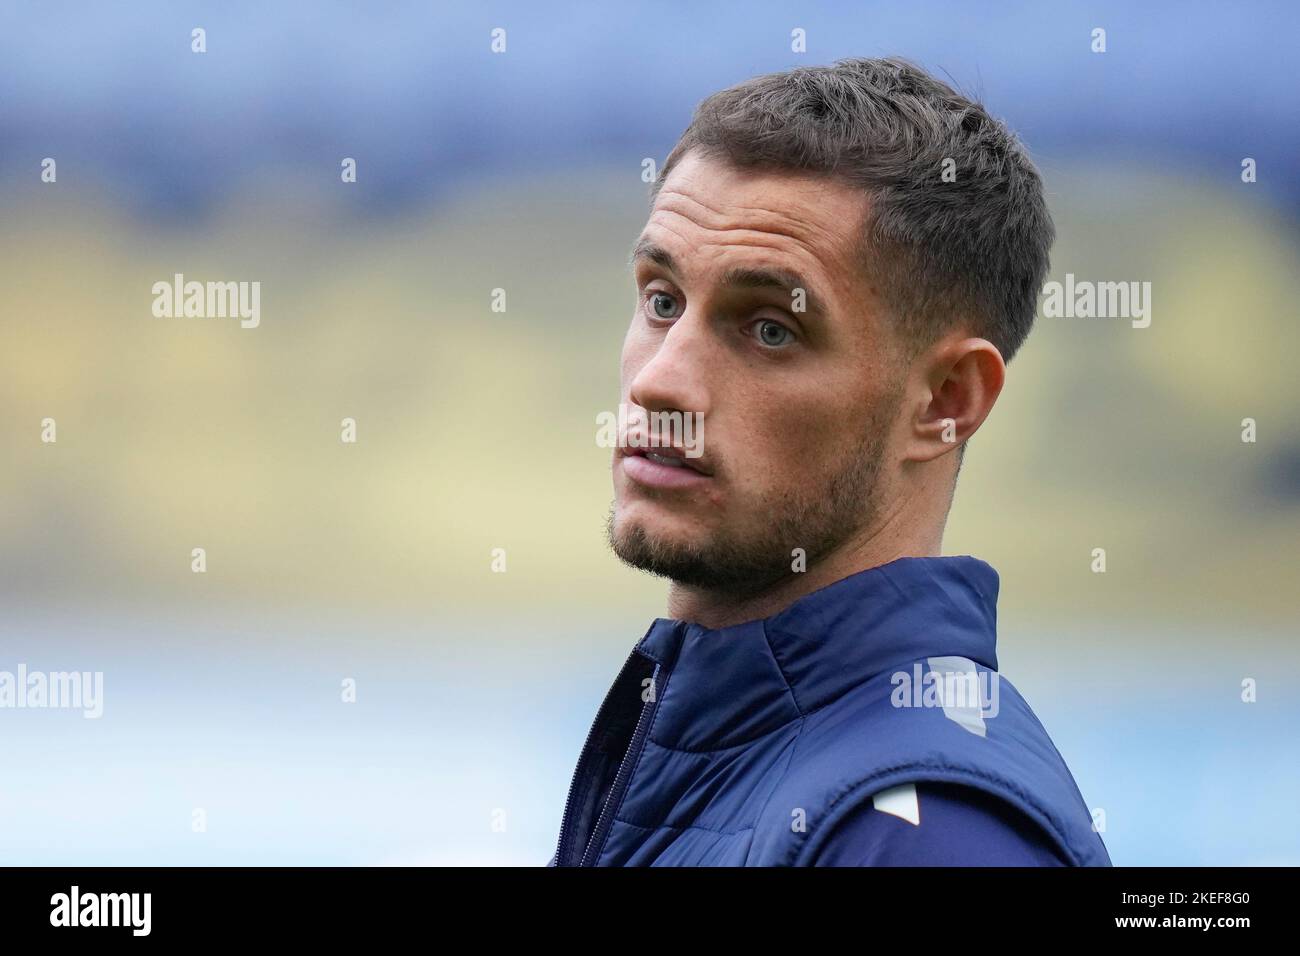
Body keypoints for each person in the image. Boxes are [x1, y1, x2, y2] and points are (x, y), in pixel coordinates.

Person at [549, 56, 1111, 867]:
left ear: (946, 400)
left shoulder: (923, 833)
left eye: (770, 327)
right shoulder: (704, 750)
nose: (659, 379)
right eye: (662, 301)